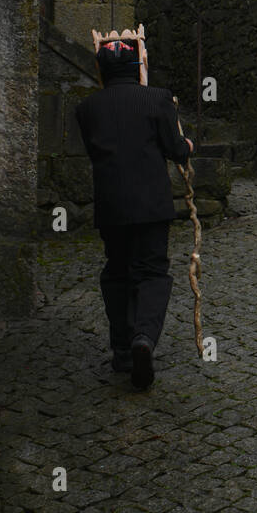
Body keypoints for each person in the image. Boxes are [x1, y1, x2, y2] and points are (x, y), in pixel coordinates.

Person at [75, 35, 192, 390]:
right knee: (152, 271)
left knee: (117, 271)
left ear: (101, 71)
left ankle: (123, 349)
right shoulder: (157, 99)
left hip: (111, 206)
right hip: (151, 205)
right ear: (137, 67)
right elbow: (176, 150)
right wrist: (186, 145)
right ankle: (144, 337)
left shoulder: (86, 109)